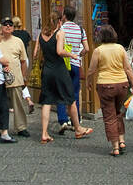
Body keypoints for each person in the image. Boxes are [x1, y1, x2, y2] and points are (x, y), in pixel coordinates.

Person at [32, 9, 93, 144]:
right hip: (59, 70)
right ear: (59, 21)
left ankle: (44, 133)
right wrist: (72, 54)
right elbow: (60, 51)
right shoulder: (60, 33)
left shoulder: (41, 34)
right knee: (70, 98)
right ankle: (78, 129)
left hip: (46, 70)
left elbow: (35, 53)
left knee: (46, 102)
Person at [86, 24, 133, 157]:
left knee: (109, 116)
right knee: (118, 113)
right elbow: (127, 68)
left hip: (105, 84)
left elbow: (91, 69)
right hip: (122, 84)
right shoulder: (120, 48)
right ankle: (121, 140)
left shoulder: (98, 50)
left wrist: (88, 81)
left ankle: (115, 146)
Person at [56, 7, 88, 133]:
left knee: (61, 93)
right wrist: (78, 55)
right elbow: (87, 48)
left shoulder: (61, 29)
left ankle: (63, 120)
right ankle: (77, 119)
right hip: (75, 64)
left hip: (63, 64)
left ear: (64, 16)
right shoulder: (80, 29)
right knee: (74, 93)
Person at [0, 17, 30, 136]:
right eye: (5, 24)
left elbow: (23, 61)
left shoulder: (18, 41)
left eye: (10, 24)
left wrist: (23, 76)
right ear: (1, 26)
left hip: (15, 77)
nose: (8, 26)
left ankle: (21, 127)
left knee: (18, 103)